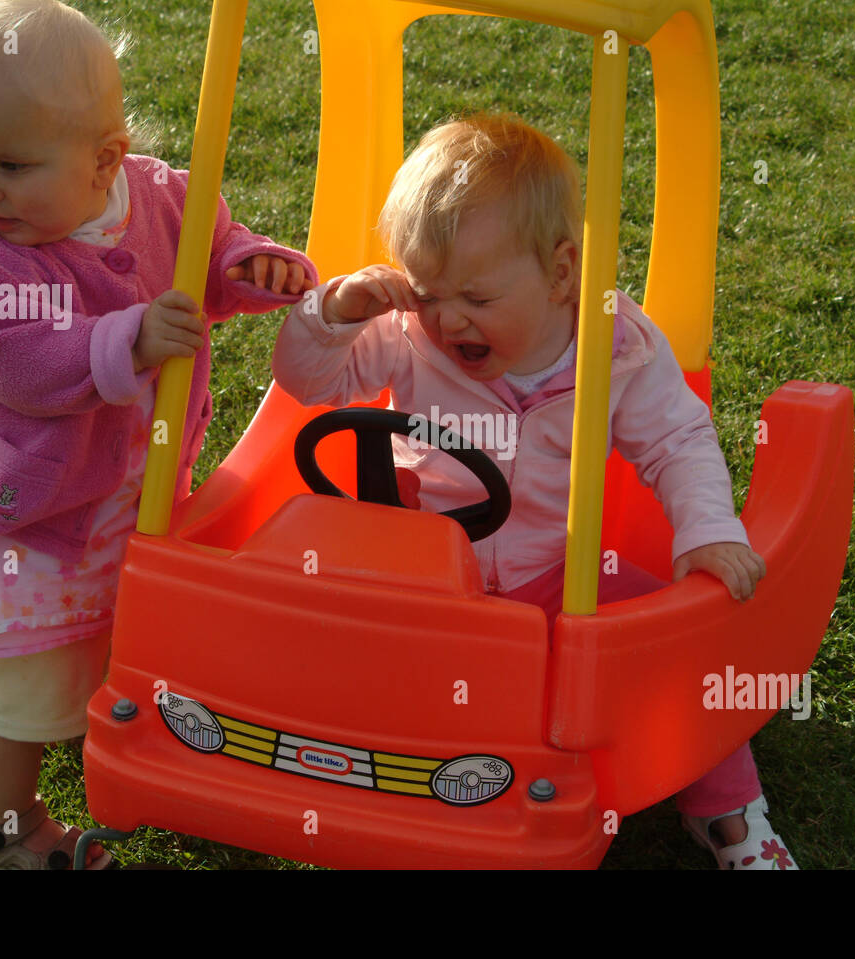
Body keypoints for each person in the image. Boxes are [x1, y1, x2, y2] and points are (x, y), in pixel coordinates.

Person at [272, 112, 796, 869]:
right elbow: (308, 383)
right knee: (326, 649)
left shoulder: (617, 347)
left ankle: (730, 815)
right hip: (418, 585)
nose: (447, 318)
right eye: (428, 291)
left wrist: (708, 528)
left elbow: (677, 442)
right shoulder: (406, 333)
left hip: (560, 577)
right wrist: (332, 315)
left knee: (681, 653)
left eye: (476, 298)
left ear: (560, 275)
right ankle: (363, 778)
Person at [0, 0, 315, 869]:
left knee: (130, 642)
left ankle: (129, 746)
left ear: (106, 160)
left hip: (135, 497)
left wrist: (246, 264)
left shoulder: (164, 195)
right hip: (38, 526)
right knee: (27, 697)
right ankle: (1, 828)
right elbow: (24, 364)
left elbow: (206, 253)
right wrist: (127, 340)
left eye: (10, 164)